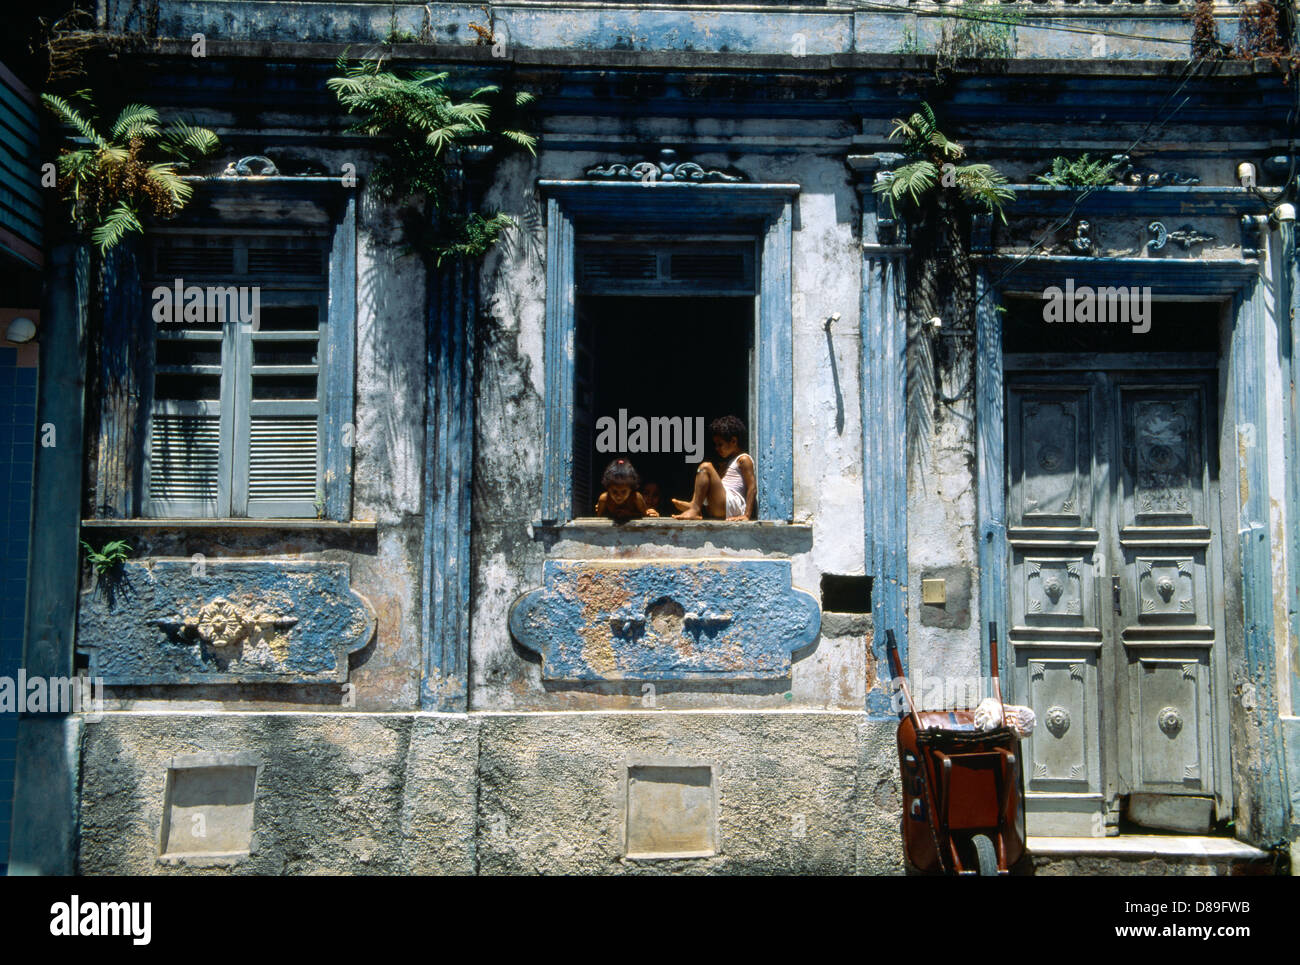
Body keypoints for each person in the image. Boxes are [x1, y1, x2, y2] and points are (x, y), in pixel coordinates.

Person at [671, 415, 755, 521]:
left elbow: (752, 487)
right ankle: (696, 505)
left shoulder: (744, 459)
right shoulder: (729, 462)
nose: (717, 448)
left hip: (731, 504)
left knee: (706, 467)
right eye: (716, 445)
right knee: (707, 475)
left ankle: (695, 508)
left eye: (720, 444)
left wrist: (747, 515)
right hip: (720, 505)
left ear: (734, 441)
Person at [595, 458, 659, 520]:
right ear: (608, 489)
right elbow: (599, 520)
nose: (619, 497)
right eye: (614, 492)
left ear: (631, 489)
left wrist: (652, 515)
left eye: (624, 492)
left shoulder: (636, 498)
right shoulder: (604, 499)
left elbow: (645, 517)